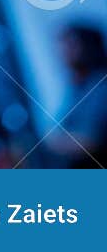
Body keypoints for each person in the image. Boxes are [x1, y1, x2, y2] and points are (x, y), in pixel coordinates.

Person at [46, 23, 107, 167]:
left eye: (70, 46)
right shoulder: (76, 88)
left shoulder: (100, 85)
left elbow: (88, 141)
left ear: (89, 47)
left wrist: (51, 142)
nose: (62, 53)